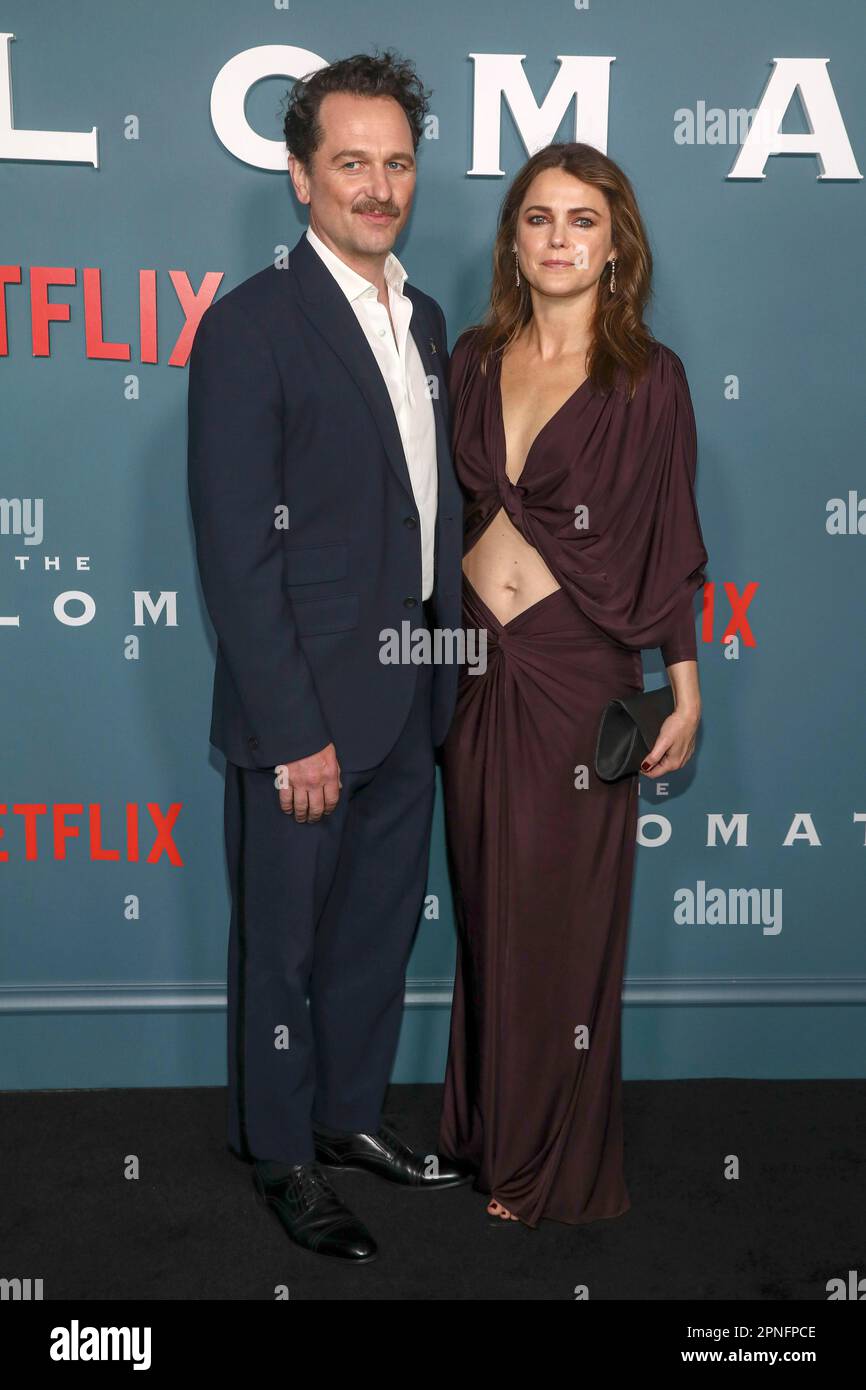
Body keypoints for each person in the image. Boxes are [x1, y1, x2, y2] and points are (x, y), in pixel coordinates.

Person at [187, 50, 472, 1265]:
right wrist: (292, 724)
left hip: (411, 688)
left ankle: (349, 1118)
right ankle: (283, 1154)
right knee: (284, 947)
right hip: (301, 708)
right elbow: (236, 550)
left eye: (395, 162)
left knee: (372, 935)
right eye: (349, 162)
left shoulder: (426, 318)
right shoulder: (253, 325)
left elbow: (425, 517)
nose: (377, 184)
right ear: (299, 177)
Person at [438, 141, 709, 1227]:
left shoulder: (648, 376)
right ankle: (485, 1129)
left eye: (581, 221)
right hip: (469, 672)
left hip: (574, 673)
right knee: (486, 915)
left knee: (558, 923)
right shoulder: (467, 358)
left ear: (613, 245)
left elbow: (669, 544)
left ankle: (547, 1164)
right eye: (539, 218)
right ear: (513, 239)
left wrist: (683, 688)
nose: (557, 238)